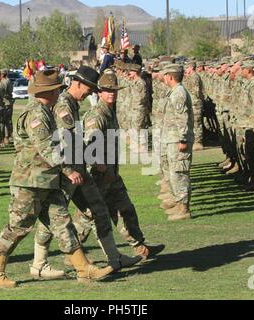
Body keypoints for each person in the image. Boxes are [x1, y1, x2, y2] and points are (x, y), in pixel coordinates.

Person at [0, 70, 114, 288]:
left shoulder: (46, 111)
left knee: (63, 224)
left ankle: (84, 269)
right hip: (30, 182)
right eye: (57, 90)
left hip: (47, 180)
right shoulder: (37, 115)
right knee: (17, 228)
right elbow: (47, 148)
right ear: (49, 91)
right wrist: (68, 170)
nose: (59, 93)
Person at [31, 66, 141, 279]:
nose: (91, 92)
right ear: (78, 83)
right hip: (67, 171)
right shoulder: (63, 104)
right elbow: (68, 140)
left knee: (99, 209)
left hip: (79, 169)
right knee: (53, 217)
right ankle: (39, 262)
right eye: (89, 88)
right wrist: (93, 158)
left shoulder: (72, 104)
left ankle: (114, 258)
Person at [73, 70, 165, 259]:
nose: (111, 94)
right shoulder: (96, 115)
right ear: (99, 92)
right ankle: (72, 250)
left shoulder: (110, 112)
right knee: (88, 215)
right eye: (107, 90)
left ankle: (140, 247)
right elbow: (90, 145)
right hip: (99, 174)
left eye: (114, 90)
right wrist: (100, 164)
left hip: (112, 173)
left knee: (126, 209)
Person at [159, 64, 195, 221]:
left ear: (170, 77)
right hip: (171, 139)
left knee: (179, 173)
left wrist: (183, 139)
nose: (164, 78)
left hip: (177, 140)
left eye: (165, 75)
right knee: (173, 172)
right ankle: (178, 202)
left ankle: (184, 208)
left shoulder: (178, 93)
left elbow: (182, 119)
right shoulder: (174, 92)